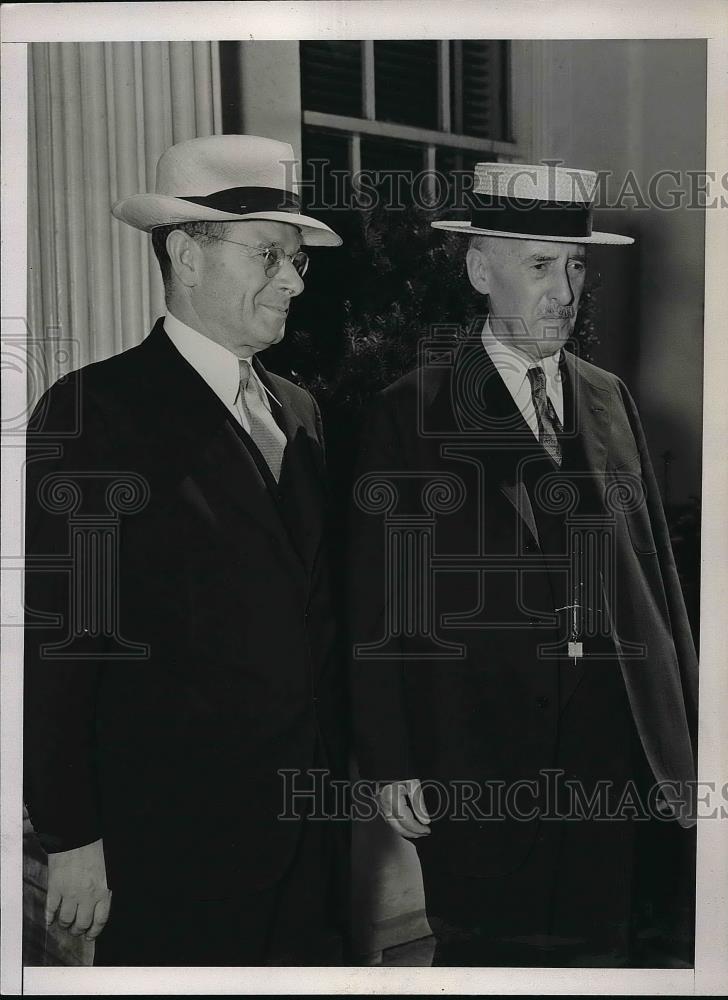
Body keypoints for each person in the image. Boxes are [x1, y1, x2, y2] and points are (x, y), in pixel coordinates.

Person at [349, 162, 698, 967]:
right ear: (480, 269)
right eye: (539, 265)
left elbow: (656, 582)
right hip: (476, 751)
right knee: (487, 957)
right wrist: (392, 760)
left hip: (606, 748)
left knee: (602, 957)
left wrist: (678, 726)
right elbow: (380, 603)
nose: (564, 291)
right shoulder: (414, 409)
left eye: (576, 267)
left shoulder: (608, 397)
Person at [24, 134, 348, 966]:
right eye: (270, 254)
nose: (294, 280)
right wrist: (71, 835)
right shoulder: (95, 409)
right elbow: (60, 636)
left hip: (309, 835)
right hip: (168, 842)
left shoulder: (302, 412)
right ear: (185, 253)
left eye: (299, 260)